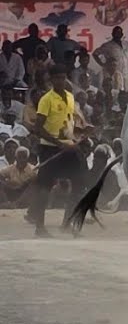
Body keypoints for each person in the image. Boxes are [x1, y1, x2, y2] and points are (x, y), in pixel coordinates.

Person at [26, 64, 87, 237]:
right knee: (44, 187)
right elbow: (38, 128)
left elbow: (70, 122)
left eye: (63, 77)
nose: (61, 80)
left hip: (69, 147)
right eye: (57, 78)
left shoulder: (69, 97)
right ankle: (39, 227)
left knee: (79, 183)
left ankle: (67, 223)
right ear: (51, 80)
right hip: (50, 148)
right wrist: (58, 143)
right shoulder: (46, 99)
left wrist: (80, 134)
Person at [92, 24, 128, 105]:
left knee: (124, 95)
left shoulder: (125, 44)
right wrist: (103, 64)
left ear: (122, 34)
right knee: (113, 94)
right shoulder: (107, 45)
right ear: (112, 34)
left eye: (119, 33)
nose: (118, 34)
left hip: (125, 74)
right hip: (112, 74)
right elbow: (95, 53)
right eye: (116, 32)